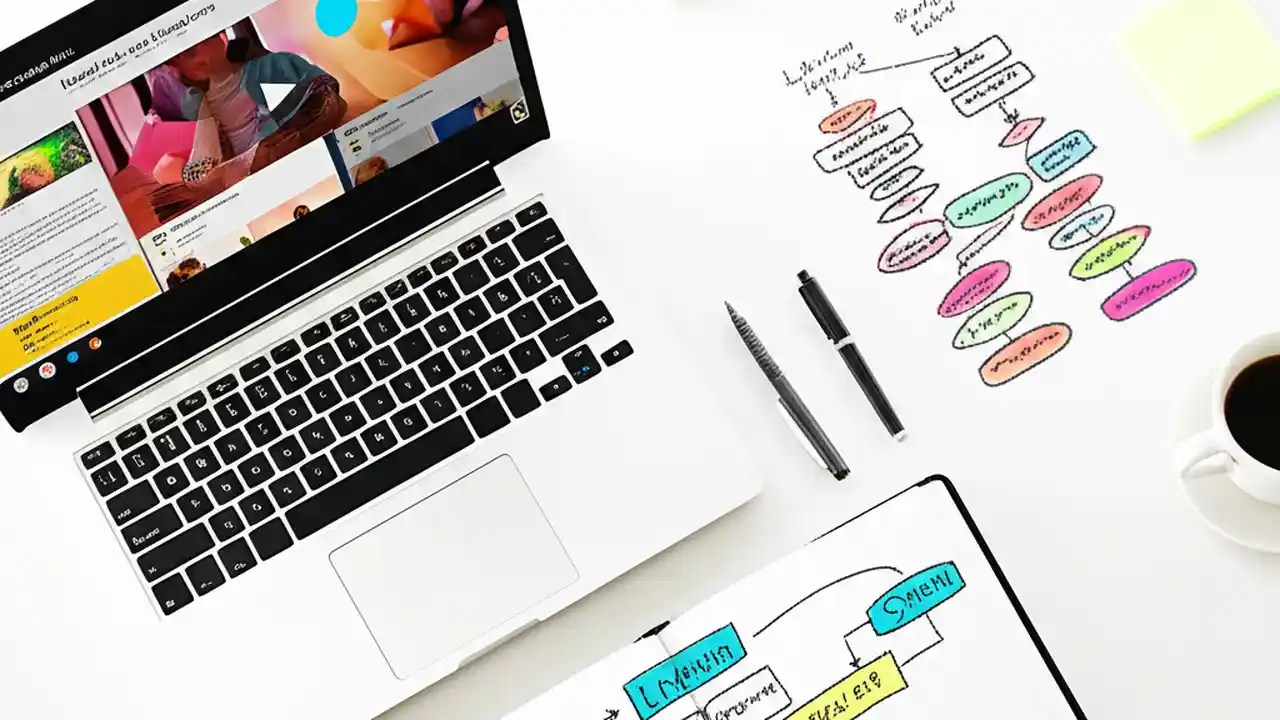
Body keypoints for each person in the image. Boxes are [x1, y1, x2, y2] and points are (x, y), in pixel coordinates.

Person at [148, 31, 347, 186]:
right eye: (187, 53)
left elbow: (328, 98)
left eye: (204, 41)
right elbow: (202, 170)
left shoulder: (274, 65)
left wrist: (275, 143)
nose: (201, 55)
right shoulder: (197, 112)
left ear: (222, 37)